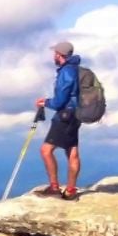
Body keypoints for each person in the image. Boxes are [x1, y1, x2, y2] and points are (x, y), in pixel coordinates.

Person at [35, 41, 81, 199]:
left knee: (46, 150)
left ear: (59, 55)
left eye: (55, 53)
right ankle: (71, 190)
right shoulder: (76, 69)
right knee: (72, 152)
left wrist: (46, 102)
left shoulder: (66, 72)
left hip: (64, 116)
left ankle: (54, 187)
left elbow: (60, 100)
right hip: (76, 115)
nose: (53, 56)